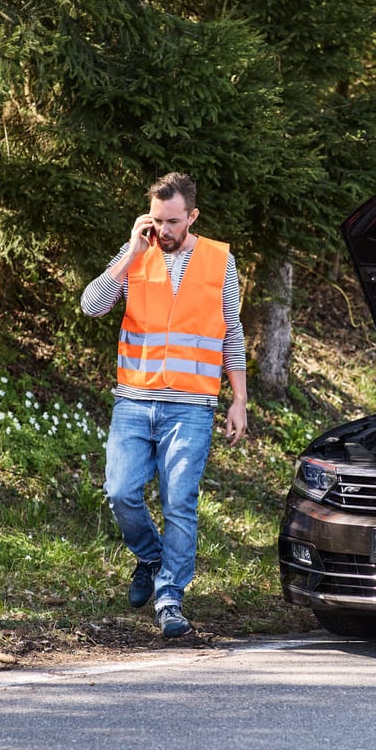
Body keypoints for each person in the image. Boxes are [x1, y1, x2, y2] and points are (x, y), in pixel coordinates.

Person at [80, 172, 247, 638]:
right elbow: (91, 305)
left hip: (191, 406)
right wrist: (130, 253)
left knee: (180, 504)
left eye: (173, 222)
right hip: (134, 401)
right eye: (157, 220)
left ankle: (170, 597)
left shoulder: (219, 261)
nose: (164, 230)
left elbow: (231, 332)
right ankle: (151, 557)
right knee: (120, 491)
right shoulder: (136, 251)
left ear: (191, 216)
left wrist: (239, 399)